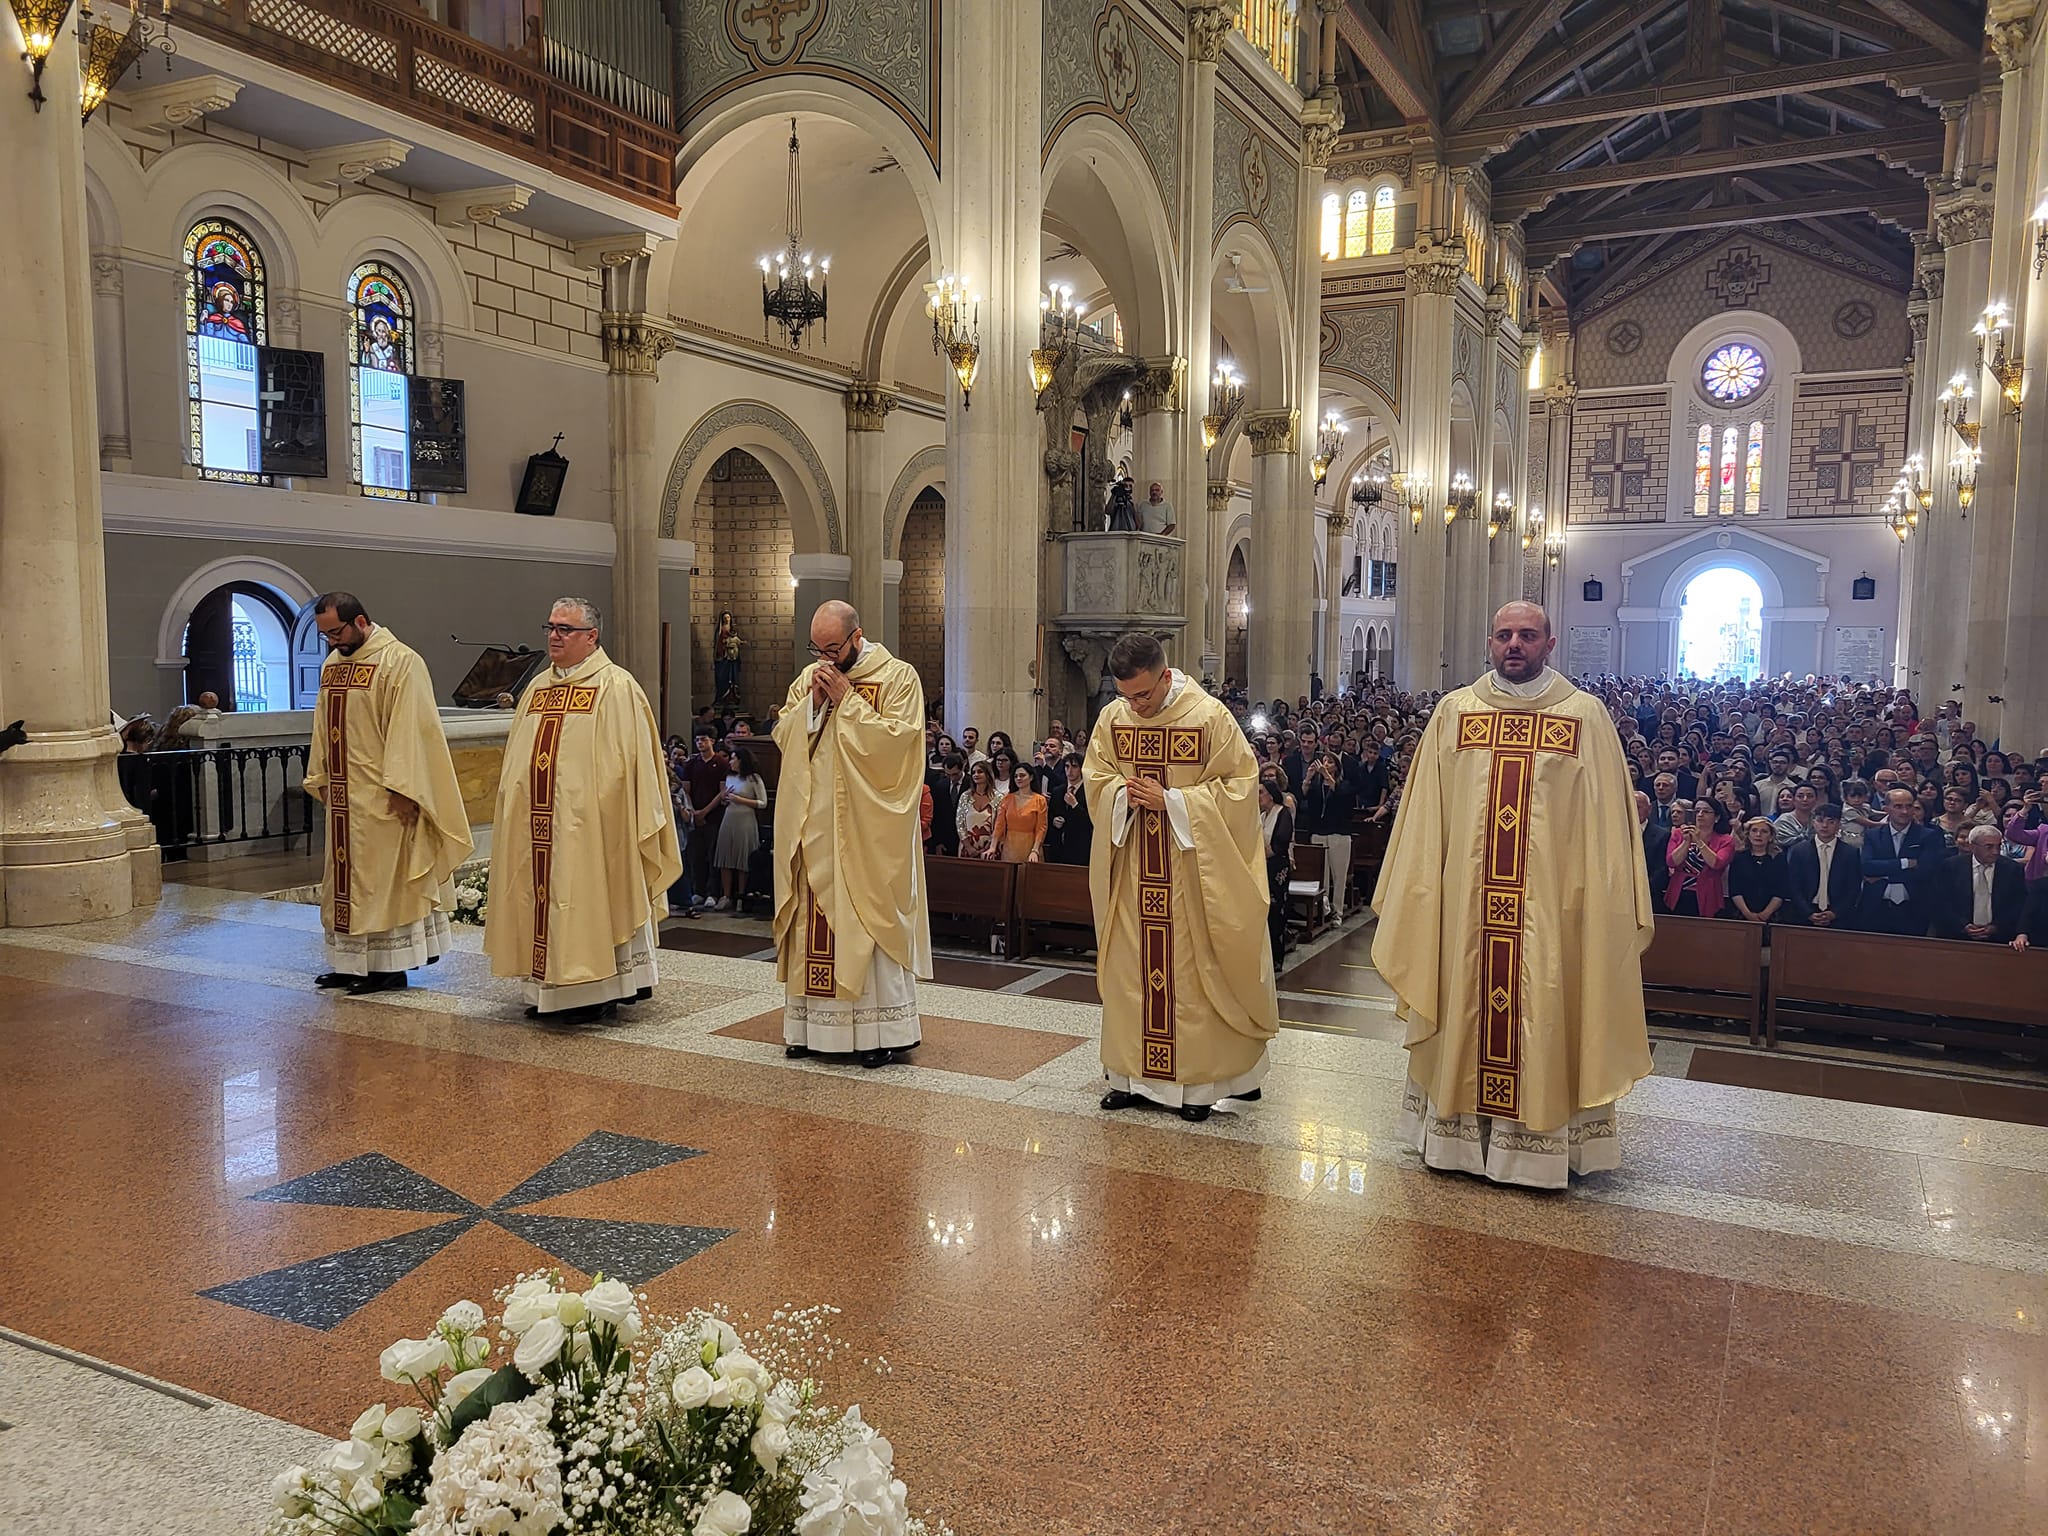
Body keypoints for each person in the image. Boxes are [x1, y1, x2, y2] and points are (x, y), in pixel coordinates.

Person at [1373, 602, 1653, 1188]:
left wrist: (1597, 905)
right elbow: (1427, 819)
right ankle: (1457, 1143)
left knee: (1547, 1014)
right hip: (1465, 909)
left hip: (1551, 912)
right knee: (1462, 1008)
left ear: (1550, 643)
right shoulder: (1456, 713)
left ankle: (1538, 1151)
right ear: (1489, 643)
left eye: (1527, 635)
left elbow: (1605, 829)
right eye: (1504, 636)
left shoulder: (1585, 717)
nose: (1514, 645)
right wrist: (1425, 897)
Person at [1083, 631, 1278, 1123]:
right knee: (1131, 973)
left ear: (1166, 676)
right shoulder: (1113, 718)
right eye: (1125, 695)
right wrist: (1122, 796)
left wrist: (1173, 801)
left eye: (1143, 694)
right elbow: (1097, 776)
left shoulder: (1209, 717)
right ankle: (1128, 1077)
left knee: (1191, 978)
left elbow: (1240, 787)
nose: (1135, 705)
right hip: (1133, 873)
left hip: (1192, 877)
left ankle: (1194, 1088)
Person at [484, 598, 682, 1026]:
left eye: (565, 629)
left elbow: (630, 767)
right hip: (537, 826)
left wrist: (598, 813)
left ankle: (597, 991)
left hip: (591, 827)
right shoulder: (536, 690)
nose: (554, 636)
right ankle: (547, 988)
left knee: (588, 899)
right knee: (543, 901)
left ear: (591, 637)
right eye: (551, 626)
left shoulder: (616, 687)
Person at [771, 601, 932, 1068]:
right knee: (811, 924)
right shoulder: (809, 680)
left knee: (865, 920)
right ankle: (809, 1029)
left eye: (832, 648)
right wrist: (814, 707)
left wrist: (848, 700)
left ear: (856, 637)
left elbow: (901, 747)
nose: (823, 659)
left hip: (866, 834)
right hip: (812, 823)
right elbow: (783, 734)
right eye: (816, 649)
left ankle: (877, 1033)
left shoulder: (899, 677)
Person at [300, 592, 473, 996]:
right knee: (345, 883)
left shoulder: (400, 662)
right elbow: (323, 723)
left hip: (384, 796)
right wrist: (322, 772)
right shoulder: (333, 665)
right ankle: (349, 963)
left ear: (360, 621)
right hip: (344, 800)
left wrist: (404, 788)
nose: (331, 643)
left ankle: (387, 968)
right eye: (324, 635)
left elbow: (412, 730)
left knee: (383, 884)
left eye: (336, 632)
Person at [1859, 786, 1945, 936]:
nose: (1904, 812)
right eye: (1898, 806)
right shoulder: (1873, 835)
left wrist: (1884, 875)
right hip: (1877, 907)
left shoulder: (1929, 836)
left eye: (1909, 806)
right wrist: (1905, 863)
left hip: (1914, 907)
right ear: (1886, 809)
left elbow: (1925, 872)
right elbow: (1867, 867)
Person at [1932, 825, 2027, 943]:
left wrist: (1996, 927)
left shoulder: (2012, 869)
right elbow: (1941, 901)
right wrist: (1963, 925)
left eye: (1998, 846)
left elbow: (2018, 904)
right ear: (1972, 846)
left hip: (1999, 937)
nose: (1995, 852)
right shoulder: (1951, 867)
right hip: (1957, 936)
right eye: (1989, 847)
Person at [1297, 750, 1355, 921]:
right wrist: (1308, 777)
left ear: (1336, 767)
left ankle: (1338, 912)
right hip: (1319, 832)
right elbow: (1303, 796)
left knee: (1338, 875)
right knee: (1321, 875)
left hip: (1339, 833)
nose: (1325, 765)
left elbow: (1342, 797)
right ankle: (1323, 910)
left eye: (1330, 762)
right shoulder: (1315, 785)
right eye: (1324, 761)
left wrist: (1326, 776)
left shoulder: (1345, 785)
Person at [1786, 804, 1861, 929]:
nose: (1824, 826)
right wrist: (1808, 913)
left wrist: (1835, 913)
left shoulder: (1850, 853)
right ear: (1813, 822)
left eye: (1831, 822)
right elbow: (1794, 886)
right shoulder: (1798, 851)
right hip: (1804, 912)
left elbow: (1853, 887)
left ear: (1839, 824)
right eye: (1820, 821)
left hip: (1838, 914)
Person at [712, 746, 768, 911]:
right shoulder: (729, 777)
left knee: (742, 858)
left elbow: (762, 803)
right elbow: (726, 797)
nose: (730, 761)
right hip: (729, 817)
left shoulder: (753, 779)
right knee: (725, 857)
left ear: (742, 760)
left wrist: (740, 799)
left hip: (745, 820)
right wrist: (724, 799)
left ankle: (741, 896)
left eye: (733, 758)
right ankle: (726, 895)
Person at [678, 728, 729, 910]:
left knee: (712, 854)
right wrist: (693, 811)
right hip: (694, 814)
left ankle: (712, 892)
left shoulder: (721, 763)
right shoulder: (691, 764)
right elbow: (686, 789)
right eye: (698, 740)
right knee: (696, 855)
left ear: (712, 741)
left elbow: (722, 791)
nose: (700, 743)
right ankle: (698, 891)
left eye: (704, 740)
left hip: (713, 816)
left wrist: (704, 812)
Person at [1727, 817, 1792, 927]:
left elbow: (1781, 891)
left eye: (1764, 831)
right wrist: (1747, 914)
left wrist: (1765, 914)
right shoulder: (1739, 857)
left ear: (1771, 836)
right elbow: (1734, 889)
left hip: (1772, 916)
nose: (1758, 834)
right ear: (1748, 834)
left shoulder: (1779, 858)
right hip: (1742, 913)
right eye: (1754, 830)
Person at [1259, 779, 1294, 970]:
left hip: (1277, 867)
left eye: (1260, 792)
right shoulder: (1263, 815)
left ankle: (1277, 958)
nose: (1258, 797)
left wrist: (1267, 850)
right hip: (1263, 867)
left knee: (1276, 911)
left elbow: (1281, 842)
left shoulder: (1283, 813)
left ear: (1270, 795)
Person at [991, 762, 1048, 863]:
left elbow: (1041, 828)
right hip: (1010, 847)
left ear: (1031, 778)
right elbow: (999, 825)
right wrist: (993, 847)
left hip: (1030, 847)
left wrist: (1035, 850)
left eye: (1022, 775)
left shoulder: (1040, 800)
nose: (1018, 778)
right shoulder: (1007, 798)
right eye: (1016, 776)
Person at [1045, 752, 1093, 865]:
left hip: (1080, 848)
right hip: (1058, 848)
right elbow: (1049, 815)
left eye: (1074, 766)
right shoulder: (1057, 791)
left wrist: (1075, 805)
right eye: (1067, 766)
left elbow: (1091, 821)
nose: (1070, 770)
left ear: (1081, 769)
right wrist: (1053, 821)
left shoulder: (1089, 792)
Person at [957, 760, 1002, 860]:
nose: (976, 775)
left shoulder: (998, 798)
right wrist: (969, 847)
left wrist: (988, 847)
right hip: (967, 848)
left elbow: (1000, 825)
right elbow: (960, 824)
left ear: (988, 774)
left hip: (990, 849)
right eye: (973, 772)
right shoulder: (965, 796)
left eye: (980, 772)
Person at [926, 751, 967, 856]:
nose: (952, 779)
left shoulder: (971, 784)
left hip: (966, 839)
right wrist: (938, 842)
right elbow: (937, 816)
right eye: (948, 775)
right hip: (945, 841)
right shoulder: (940, 786)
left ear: (962, 768)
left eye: (955, 774)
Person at [713, 611, 744, 704]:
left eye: (728, 617)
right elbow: (718, 644)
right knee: (723, 678)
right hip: (724, 659)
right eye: (725, 618)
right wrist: (725, 647)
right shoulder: (720, 630)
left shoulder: (733, 630)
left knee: (734, 679)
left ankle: (733, 698)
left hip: (733, 659)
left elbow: (737, 641)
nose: (727, 619)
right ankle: (723, 697)